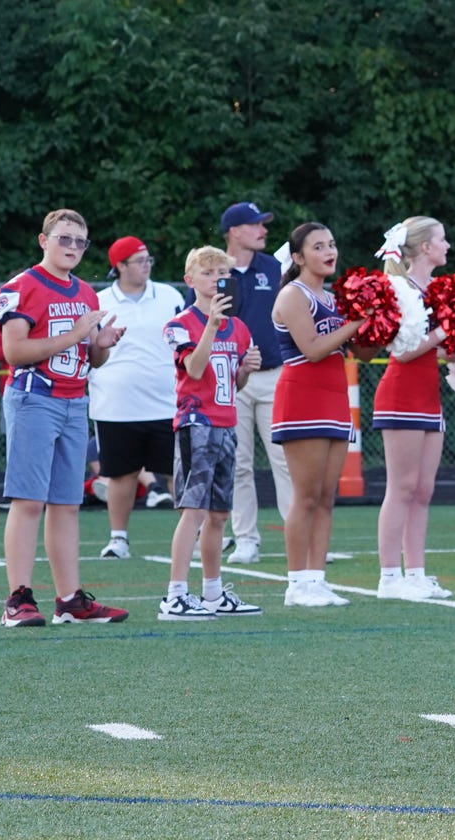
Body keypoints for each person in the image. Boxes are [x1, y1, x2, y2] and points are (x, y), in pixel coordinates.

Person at [0, 209, 130, 627]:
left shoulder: (88, 293)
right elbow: (14, 352)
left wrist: (101, 345)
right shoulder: (22, 286)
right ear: (43, 240)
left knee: (67, 504)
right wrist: (75, 335)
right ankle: (17, 599)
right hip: (35, 398)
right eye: (64, 239)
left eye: (80, 241)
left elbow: (92, 360)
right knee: (29, 500)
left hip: (74, 401)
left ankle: (70, 599)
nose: (72, 247)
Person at [159, 247, 264, 620]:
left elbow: (230, 384)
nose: (218, 279)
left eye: (223, 273)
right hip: (196, 424)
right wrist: (212, 325)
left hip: (226, 422)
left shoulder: (239, 326)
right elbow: (196, 367)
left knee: (219, 514)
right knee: (194, 510)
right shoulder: (181, 323)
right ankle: (175, 594)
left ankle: (213, 593)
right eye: (209, 273)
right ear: (191, 281)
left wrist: (247, 369)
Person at [270, 222, 366, 606]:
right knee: (305, 496)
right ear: (298, 257)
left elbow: (354, 352)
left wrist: (377, 322)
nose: (329, 252)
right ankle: (296, 583)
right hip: (302, 397)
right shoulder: (293, 295)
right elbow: (311, 349)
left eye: (332, 244)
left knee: (327, 496)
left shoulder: (335, 297)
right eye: (318, 246)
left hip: (334, 397)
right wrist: (356, 322)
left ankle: (316, 579)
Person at [88, 235, 187, 560]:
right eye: (139, 260)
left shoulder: (170, 296)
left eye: (148, 259)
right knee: (120, 474)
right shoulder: (99, 300)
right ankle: (118, 539)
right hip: (115, 405)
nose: (146, 265)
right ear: (119, 266)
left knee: (178, 471)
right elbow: (90, 348)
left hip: (167, 402)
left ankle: (194, 534)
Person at [371, 217, 455, 600]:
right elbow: (402, 351)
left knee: (423, 489)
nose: (447, 245)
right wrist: (443, 332)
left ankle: (416, 573)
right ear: (425, 247)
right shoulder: (398, 287)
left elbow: (438, 347)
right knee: (401, 487)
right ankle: (389, 576)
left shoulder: (435, 288)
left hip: (429, 393)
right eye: (441, 239)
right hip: (401, 393)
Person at [219, 201, 285, 565]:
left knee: (284, 459)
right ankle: (246, 539)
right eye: (255, 225)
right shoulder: (214, 269)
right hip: (233, 380)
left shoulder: (273, 267)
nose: (263, 230)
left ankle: (299, 534)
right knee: (239, 463)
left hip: (275, 375)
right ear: (234, 231)